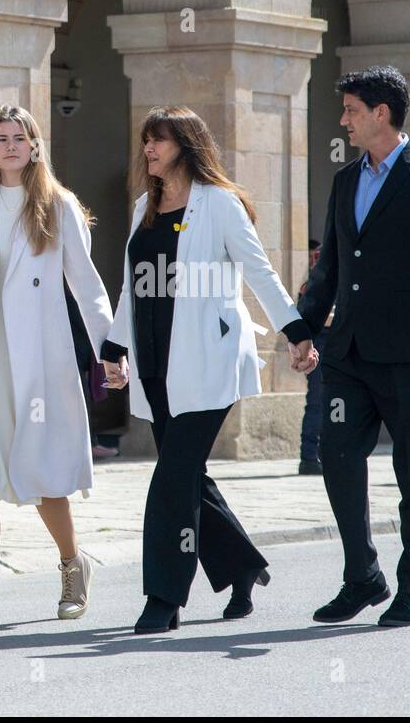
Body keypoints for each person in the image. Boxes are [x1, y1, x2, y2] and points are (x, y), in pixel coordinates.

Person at [100, 105, 317, 635]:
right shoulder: (142, 207)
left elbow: (259, 271)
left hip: (208, 359)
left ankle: (163, 597)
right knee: (187, 475)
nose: (149, 149)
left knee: (171, 478)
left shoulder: (219, 204)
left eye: (160, 141)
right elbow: (133, 285)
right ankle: (241, 567)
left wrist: (296, 331)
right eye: (146, 140)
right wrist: (113, 346)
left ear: (187, 146)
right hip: (155, 364)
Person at [298, 65, 410, 627]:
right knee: (338, 457)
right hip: (348, 351)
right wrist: (303, 330)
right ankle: (362, 577)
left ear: (381, 113)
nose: (343, 119)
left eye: (350, 109)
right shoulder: (346, 180)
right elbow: (331, 267)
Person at [0, 105, 113, 634]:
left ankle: (72, 565)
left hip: (36, 357)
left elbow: (86, 283)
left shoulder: (59, 207)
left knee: (42, 470)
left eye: (19, 137)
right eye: (0, 138)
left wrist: (111, 352)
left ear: (35, 146)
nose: (10, 146)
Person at [297, 238, 332, 476]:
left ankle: (330, 452)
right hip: (321, 341)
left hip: (339, 342)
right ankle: (310, 456)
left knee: (337, 402)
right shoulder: (311, 285)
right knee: (318, 400)